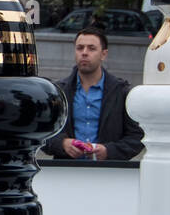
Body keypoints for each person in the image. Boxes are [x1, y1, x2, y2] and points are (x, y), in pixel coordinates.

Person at [43, 26, 144, 161]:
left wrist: (109, 151)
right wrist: (62, 144)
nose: (84, 53)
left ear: (104, 54)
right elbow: (42, 133)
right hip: (67, 172)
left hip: (108, 174)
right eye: (80, 48)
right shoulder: (58, 92)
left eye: (91, 48)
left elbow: (137, 137)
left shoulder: (122, 92)